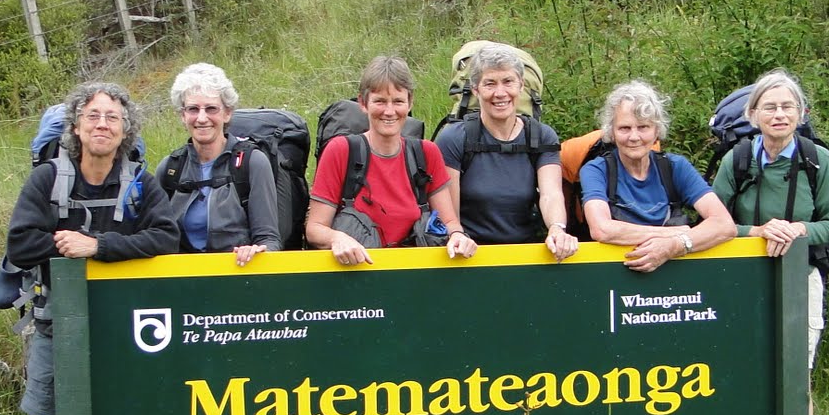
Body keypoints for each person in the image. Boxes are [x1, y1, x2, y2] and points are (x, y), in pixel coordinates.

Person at [5, 81, 179, 415]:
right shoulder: (47, 180)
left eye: (112, 117)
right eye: (93, 116)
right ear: (76, 127)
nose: (103, 124)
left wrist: (98, 246)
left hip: (125, 327)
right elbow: (20, 244)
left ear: (125, 130)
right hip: (57, 325)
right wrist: (67, 245)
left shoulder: (140, 183)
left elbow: (166, 238)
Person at [711, 69, 829, 372]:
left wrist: (796, 230)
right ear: (753, 114)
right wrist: (757, 231)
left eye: (788, 106)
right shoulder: (737, 160)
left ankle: (798, 410)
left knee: (796, 372)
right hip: (743, 276)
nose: (779, 115)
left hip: (802, 275)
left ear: (801, 113)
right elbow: (712, 225)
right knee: (743, 368)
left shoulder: (818, 160)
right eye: (770, 107)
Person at [306, 55, 477, 265]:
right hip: (357, 271)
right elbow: (315, 229)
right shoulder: (341, 151)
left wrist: (458, 236)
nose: (389, 111)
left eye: (398, 101)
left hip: (414, 271)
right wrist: (337, 238)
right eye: (380, 101)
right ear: (363, 103)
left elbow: (449, 222)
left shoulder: (427, 153)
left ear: (410, 103)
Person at [434, 43, 578, 261]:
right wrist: (457, 235)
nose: (500, 93)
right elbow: (449, 212)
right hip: (467, 255)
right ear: (475, 89)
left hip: (525, 254)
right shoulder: (454, 138)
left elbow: (551, 194)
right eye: (490, 83)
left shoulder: (541, 136)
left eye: (508, 81)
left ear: (521, 85)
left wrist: (557, 228)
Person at [580, 80, 735, 272]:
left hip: (675, 274)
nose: (634, 137)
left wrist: (675, 245)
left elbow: (724, 225)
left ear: (657, 131)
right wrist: (672, 233)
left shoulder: (675, 167)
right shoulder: (596, 170)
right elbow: (601, 229)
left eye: (643, 127)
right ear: (611, 132)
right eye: (624, 128)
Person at [156, 62, 280, 266]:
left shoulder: (252, 163)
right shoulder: (170, 168)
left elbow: (269, 239)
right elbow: (155, 235)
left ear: (227, 113)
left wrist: (256, 251)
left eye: (211, 108)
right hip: (183, 277)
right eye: (193, 109)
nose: (202, 118)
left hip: (239, 273)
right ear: (183, 115)